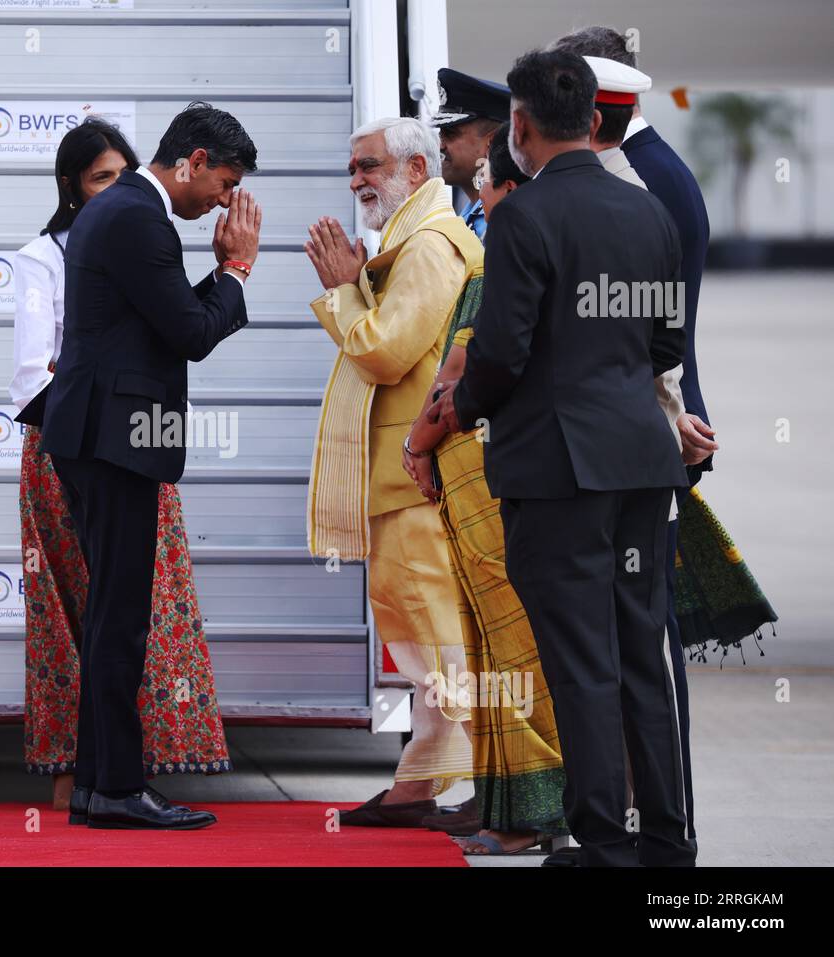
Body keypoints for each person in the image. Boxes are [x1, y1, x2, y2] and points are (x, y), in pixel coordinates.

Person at [426, 49, 695, 867]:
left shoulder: (524, 218)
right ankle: (666, 846)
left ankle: (605, 846)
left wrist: (457, 412)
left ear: (521, 124)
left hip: (557, 472)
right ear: (594, 119)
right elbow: (663, 342)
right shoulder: (651, 215)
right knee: (639, 655)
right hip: (643, 464)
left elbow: (501, 352)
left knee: (582, 666)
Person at [40, 102, 259, 830]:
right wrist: (235, 269)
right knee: (121, 618)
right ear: (192, 160)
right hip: (113, 439)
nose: (225, 200)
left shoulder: (128, 209)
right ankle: (117, 787)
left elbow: (164, 322)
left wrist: (219, 278)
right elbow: (193, 334)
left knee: (112, 614)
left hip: (99, 434)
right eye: (223, 182)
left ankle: (104, 784)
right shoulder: (139, 216)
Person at [552, 25, 718, 864]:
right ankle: (640, 825)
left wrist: (671, 423)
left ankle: (661, 828)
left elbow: (658, 336)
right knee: (626, 644)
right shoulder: (641, 171)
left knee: (645, 650)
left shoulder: (646, 178)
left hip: (645, 436)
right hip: (639, 431)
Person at [303, 117, 483, 829]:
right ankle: (420, 785)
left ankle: (492, 787)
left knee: (437, 638)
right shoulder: (414, 240)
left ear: (415, 170)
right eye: (352, 167)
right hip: (404, 477)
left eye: (369, 165)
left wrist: (347, 289)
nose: (356, 181)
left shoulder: (431, 246)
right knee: (420, 634)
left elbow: (383, 352)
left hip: (417, 479)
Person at [402, 123, 569, 855]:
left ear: (507, 187)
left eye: (488, 187)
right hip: (515, 478)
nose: (483, 199)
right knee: (513, 650)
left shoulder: (503, 256)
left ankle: (527, 816)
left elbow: (463, 371)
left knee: (513, 652)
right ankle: (520, 813)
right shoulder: (541, 249)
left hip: (490, 478)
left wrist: (420, 440)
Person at [430, 68, 511, 240]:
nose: (439, 145)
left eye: (450, 133)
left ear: (492, 141)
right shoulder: (466, 217)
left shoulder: (507, 213)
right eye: (439, 134)